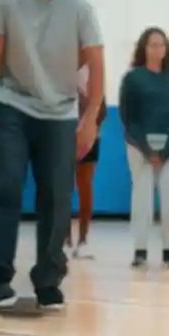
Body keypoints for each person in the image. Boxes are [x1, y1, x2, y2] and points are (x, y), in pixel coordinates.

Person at [0, 0, 104, 313]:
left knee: (57, 196)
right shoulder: (7, 5)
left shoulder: (80, 8)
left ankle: (48, 280)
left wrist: (91, 117)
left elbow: (96, 63)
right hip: (13, 105)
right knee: (5, 187)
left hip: (61, 111)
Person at [120, 27, 169, 269]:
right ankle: (140, 250)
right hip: (139, 147)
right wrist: (147, 150)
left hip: (168, 148)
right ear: (143, 48)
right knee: (142, 198)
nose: (157, 48)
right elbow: (128, 117)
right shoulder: (133, 78)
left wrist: (168, 148)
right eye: (152, 44)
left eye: (161, 44)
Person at [66, 64, 106, 260]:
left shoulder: (93, 69)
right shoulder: (60, 65)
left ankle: (83, 240)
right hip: (63, 131)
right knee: (62, 187)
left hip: (89, 135)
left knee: (84, 186)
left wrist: (90, 122)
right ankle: (65, 240)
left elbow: (101, 107)